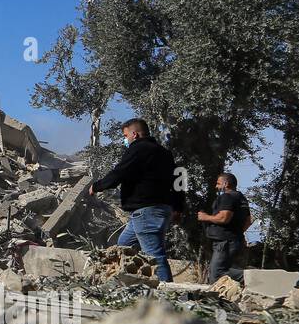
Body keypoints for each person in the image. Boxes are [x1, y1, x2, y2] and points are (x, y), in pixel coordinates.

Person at [88, 118, 180, 282]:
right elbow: (179, 180)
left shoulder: (138, 149)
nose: (125, 139)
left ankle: (168, 295)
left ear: (134, 134)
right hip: (157, 210)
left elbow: (119, 172)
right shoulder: (164, 153)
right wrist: (178, 206)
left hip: (146, 211)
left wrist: (97, 186)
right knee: (124, 245)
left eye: (125, 135)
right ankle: (126, 282)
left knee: (154, 254)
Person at [197, 172, 251, 283]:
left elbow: (224, 218)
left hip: (224, 242)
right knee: (219, 271)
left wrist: (205, 217)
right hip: (234, 241)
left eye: (218, 183)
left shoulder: (227, 196)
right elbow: (249, 220)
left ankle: (253, 278)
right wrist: (237, 233)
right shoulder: (240, 198)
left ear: (225, 183)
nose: (216, 187)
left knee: (217, 274)